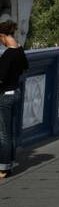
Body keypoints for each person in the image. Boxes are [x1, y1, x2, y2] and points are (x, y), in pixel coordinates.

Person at [0, 21, 29, 180]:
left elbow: (1, 79)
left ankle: (3, 168)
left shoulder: (7, 55)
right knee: (10, 132)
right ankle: (9, 164)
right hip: (16, 92)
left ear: (3, 36)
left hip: (5, 96)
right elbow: (26, 67)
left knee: (4, 134)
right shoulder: (19, 50)